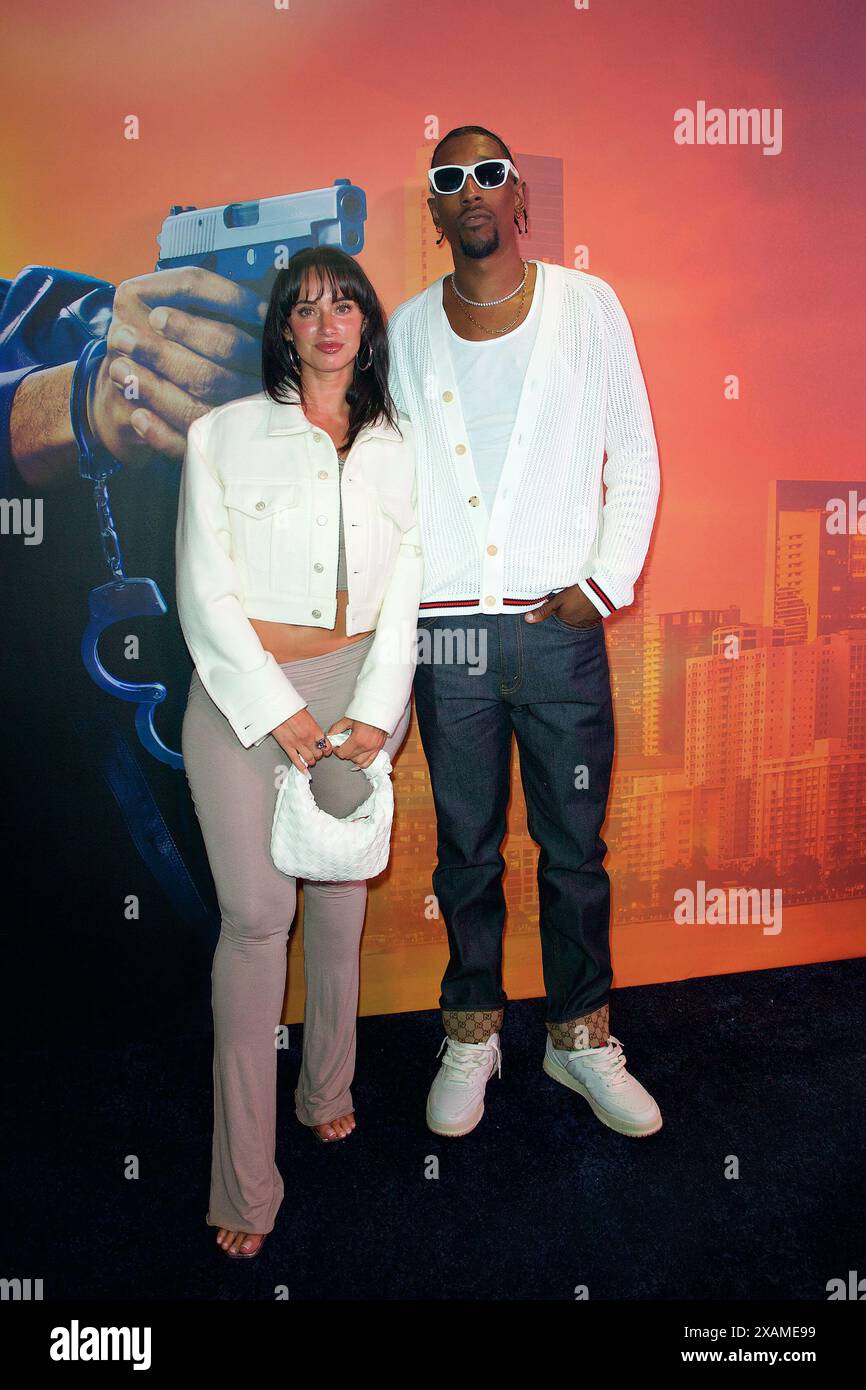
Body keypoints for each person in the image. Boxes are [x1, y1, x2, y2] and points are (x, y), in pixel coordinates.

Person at [387, 125, 663, 1140]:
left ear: (519, 202)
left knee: (570, 848)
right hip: (447, 638)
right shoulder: (406, 330)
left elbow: (631, 457)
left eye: (487, 172)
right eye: (447, 177)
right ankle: (472, 1031)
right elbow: (386, 479)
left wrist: (599, 585)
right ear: (433, 212)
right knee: (463, 850)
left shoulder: (588, 308)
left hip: (557, 628)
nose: (469, 189)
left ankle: (577, 1036)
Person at [176, 247, 422, 1257]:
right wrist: (279, 710)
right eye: (306, 307)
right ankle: (244, 1182)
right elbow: (201, 590)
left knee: (338, 897)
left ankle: (328, 1083)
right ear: (283, 329)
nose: (327, 322)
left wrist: (373, 715)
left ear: (367, 322)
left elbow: (404, 591)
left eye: (345, 303)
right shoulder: (221, 435)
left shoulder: (402, 446)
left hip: (359, 690)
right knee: (256, 915)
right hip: (243, 697)